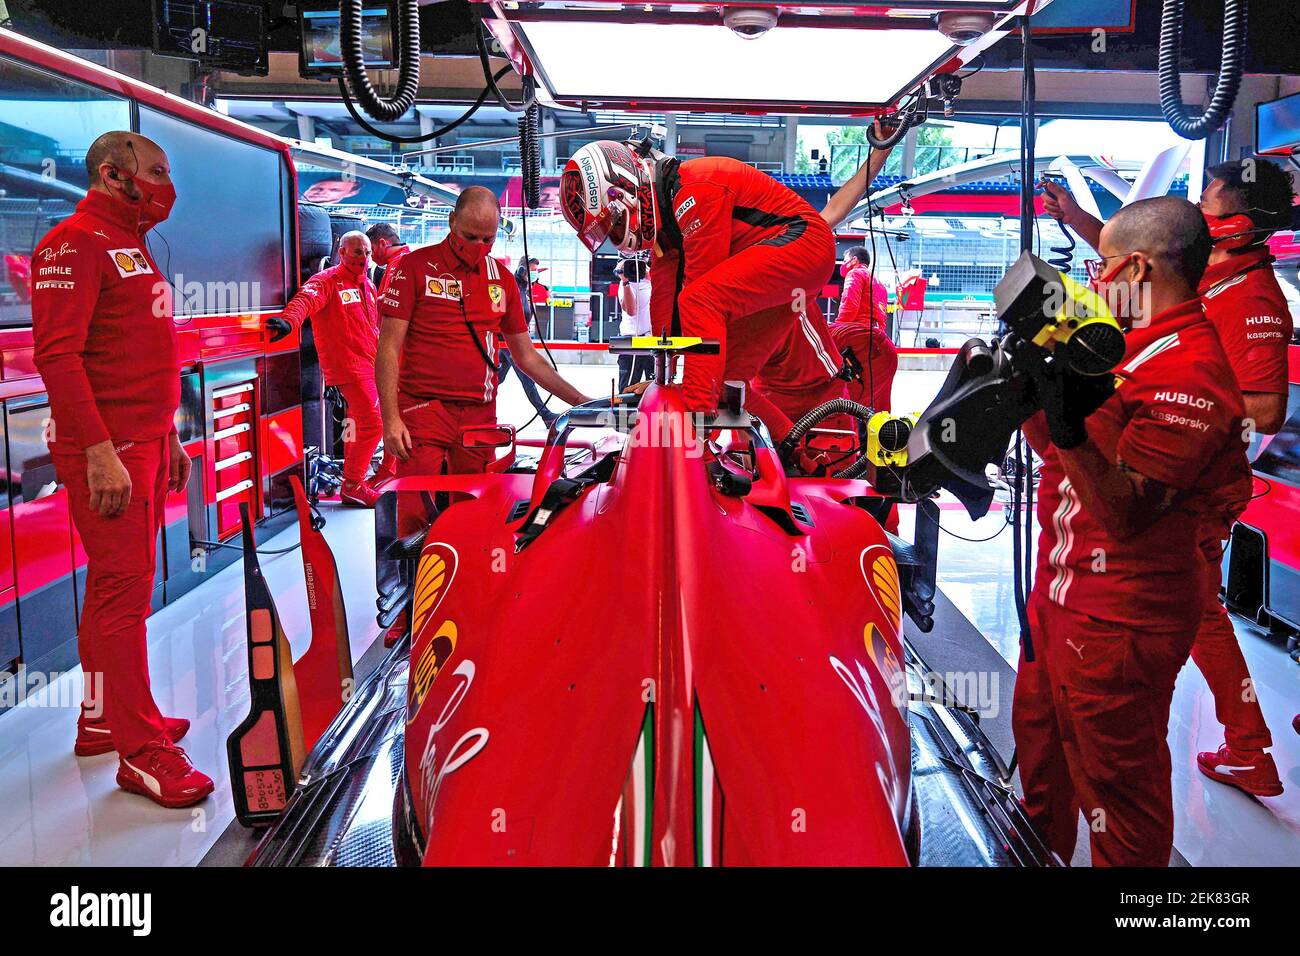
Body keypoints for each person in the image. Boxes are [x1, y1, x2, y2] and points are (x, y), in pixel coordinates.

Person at [1043, 159, 1297, 797]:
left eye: (1209, 189)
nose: (1199, 192)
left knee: (1197, 611)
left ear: (1232, 209)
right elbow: (1142, 255)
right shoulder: (1207, 268)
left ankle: (1250, 746)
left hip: (1191, 481)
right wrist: (1077, 220)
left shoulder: (1253, 294)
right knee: (1198, 611)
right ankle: (1248, 745)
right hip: (1147, 466)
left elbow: (1265, 409)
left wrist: (1178, 400)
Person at [1012, 197, 1252, 866]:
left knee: (1117, 791)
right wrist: (1035, 395)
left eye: (1101, 265)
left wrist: (1066, 423)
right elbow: (1055, 456)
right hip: (1058, 595)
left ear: (1138, 268)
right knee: (1042, 760)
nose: (1091, 282)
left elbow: (1125, 514)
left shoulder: (1190, 374)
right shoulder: (1122, 346)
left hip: (1121, 617)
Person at [31, 130, 211, 808]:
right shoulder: (73, 243)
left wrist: (168, 434)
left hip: (141, 441)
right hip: (105, 450)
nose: (168, 186)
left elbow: (135, 350)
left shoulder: (128, 243)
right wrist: (101, 450)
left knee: (114, 588)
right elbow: (59, 357)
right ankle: (142, 755)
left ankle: (103, 716)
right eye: (157, 172)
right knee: (122, 593)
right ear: (113, 174)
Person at [559, 142, 835, 443]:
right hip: (796, 256)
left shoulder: (698, 187)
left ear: (624, 192)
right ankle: (797, 454)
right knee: (728, 383)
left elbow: (699, 299)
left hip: (805, 242)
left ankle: (693, 437)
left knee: (700, 303)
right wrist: (659, 377)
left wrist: (689, 416)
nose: (615, 237)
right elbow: (665, 305)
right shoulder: (666, 218)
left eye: (613, 225)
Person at [377, 187, 589, 530]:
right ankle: (417, 582)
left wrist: (581, 402)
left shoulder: (502, 280)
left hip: (478, 415)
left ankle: (467, 582)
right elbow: (387, 347)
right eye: (469, 236)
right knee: (415, 512)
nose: (477, 246)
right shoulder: (414, 267)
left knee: (474, 512)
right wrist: (390, 419)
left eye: (487, 238)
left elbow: (527, 357)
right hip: (421, 411)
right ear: (451, 222)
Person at [280, 230, 386, 506]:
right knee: (374, 423)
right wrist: (288, 322)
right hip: (348, 366)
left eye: (367, 253)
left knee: (362, 423)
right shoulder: (327, 281)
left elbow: (373, 327)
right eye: (357, 252)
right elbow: (305, 300)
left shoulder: (368, 285)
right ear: (341, 252)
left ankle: (358, 482)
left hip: (370, 363)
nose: (363, 258)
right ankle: (353, 485)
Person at [831, 246, 899, 413]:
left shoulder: (854, 274)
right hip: (881, 345)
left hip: (858, 343)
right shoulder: (880, 284)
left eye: (845, 260)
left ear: (854, 260)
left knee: (848, 404)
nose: (843, 264)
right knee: (879, 408)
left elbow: (849, 307)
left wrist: (834, 333)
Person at [498, 256, 558, 428]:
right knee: (527, 377)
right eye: (532, 271)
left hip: (514, 340)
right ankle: (546, 416)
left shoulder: (525, 288)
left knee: (497, 379)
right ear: (522, 271)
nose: (534, 275)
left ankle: (476, 404)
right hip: (509, 341)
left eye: (536, 272)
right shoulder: (513, 287)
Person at [616, 257, 655, 391]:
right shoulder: (624, 286)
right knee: (628, 388)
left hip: (651, 340)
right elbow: (631, 311)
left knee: (654, 382)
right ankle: (624, 412)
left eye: (636, 266)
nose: (632, 269)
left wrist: (651, 276)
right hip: (632, 340)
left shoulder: (650, 282)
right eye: (626, 267)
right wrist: (625, 282)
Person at [366, 222, 410, 295]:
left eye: (372, 249)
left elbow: (387, 302)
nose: (371, 256)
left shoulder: (398, 264)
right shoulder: (406, 258)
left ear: (382, 244)